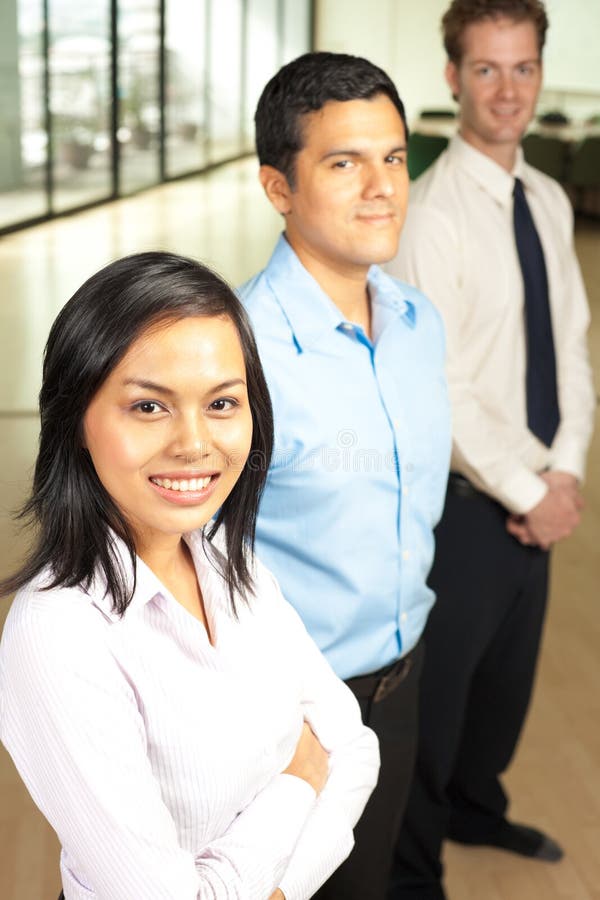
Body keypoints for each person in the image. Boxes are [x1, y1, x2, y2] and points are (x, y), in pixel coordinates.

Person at [0, 251, 380, 900]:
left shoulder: (228, 560)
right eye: (149, 408)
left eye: (223, 403)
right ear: (77, 423)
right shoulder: (59, 634)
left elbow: (354, 752)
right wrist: (297, 782)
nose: (195, 444)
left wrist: (275, 891)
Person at [387, 1, 596, 897]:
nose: (507, 91)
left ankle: (480, 805)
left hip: (539, 484)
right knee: (437, 710)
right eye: (486, 70)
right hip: (468, 503)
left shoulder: (545, 197)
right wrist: (525, 487)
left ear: (541, 72)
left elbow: (574, 342)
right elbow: (443, 387)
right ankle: (412, 870)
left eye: (522, 69)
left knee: (505, 686)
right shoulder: (432, 216)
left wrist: (567, 469)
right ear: (453, 79)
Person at [239, 53, 451, 900]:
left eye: (394, 158)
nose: (382, 188)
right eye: (343, 162)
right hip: (286, 714)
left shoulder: (416, 321)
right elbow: (182, 565)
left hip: (400, 683)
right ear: (278, 187)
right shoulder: (238, 350)